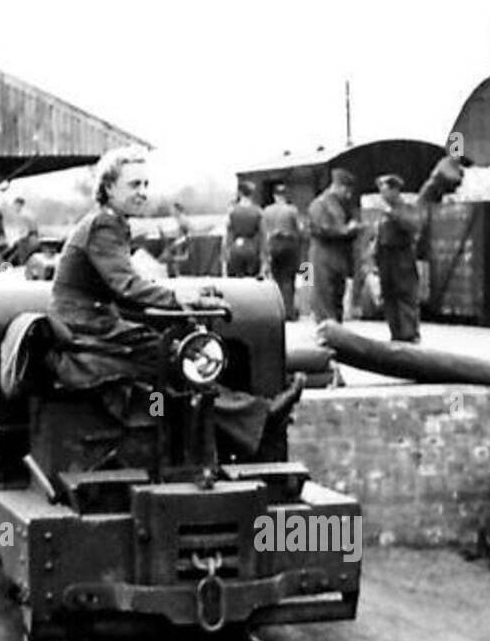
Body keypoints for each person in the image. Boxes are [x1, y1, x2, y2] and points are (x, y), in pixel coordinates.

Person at [49, 148, 305, 460]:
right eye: (134, 185)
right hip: (87, 329)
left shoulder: (110, 223)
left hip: (93, 323)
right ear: (108, 188)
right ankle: (251, 421)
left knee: (175, 359)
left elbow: (120, 287)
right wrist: (176, 299)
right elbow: (125, 285)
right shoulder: (104, 225)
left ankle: (216, 431)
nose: (143, 193)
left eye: (145, 184)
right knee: (178, 362)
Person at [373, 174, 422, 343]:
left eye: (385, 190)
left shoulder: (405, 207)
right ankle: (395, 332)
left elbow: (413, 225)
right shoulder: (384, 211)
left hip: (402, 257)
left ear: (395, 190)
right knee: (389, 295)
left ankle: (409, 333)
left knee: (405, 295)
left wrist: (393, 214)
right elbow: (379, 237)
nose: (382, 194)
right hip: (386, 258)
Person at [307, 167, 360, 321]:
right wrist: (346, 230)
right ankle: (326, 328)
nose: (348, 195)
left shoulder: (339, 205)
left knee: (337, 293)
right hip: (322, 256)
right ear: (338, 186)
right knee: (323, 293)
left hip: (337, 256)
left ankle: (336, 326)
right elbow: (321, 228)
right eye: (346, 190)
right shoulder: (319, 204)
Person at [261, 181, 303, 320]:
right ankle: (289, 312)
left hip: (273, 245)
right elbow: (299, 230)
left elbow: (264, 231)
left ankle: (278, 312)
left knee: (276, 280)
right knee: (289, 280)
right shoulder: (292, 210)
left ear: (274, 196)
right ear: (285, 196)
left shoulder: (266, 211)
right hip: (289, 245)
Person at [224, 180, 262, 277]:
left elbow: (228, 233)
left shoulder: (232, 211)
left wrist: (226, 251)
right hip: (252, 248)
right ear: (251, 194)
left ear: (240, 193)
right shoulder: (258, 211)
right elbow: (262, 234)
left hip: (235, 248)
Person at [7, 197, 41, 266]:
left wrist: (19, 240)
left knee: (22, 258)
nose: (14, 208)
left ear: (19, 205)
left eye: (15, 205)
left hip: (28, 238)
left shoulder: (22, 215)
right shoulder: (27, 212)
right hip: (33, 237)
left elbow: (24, 231)